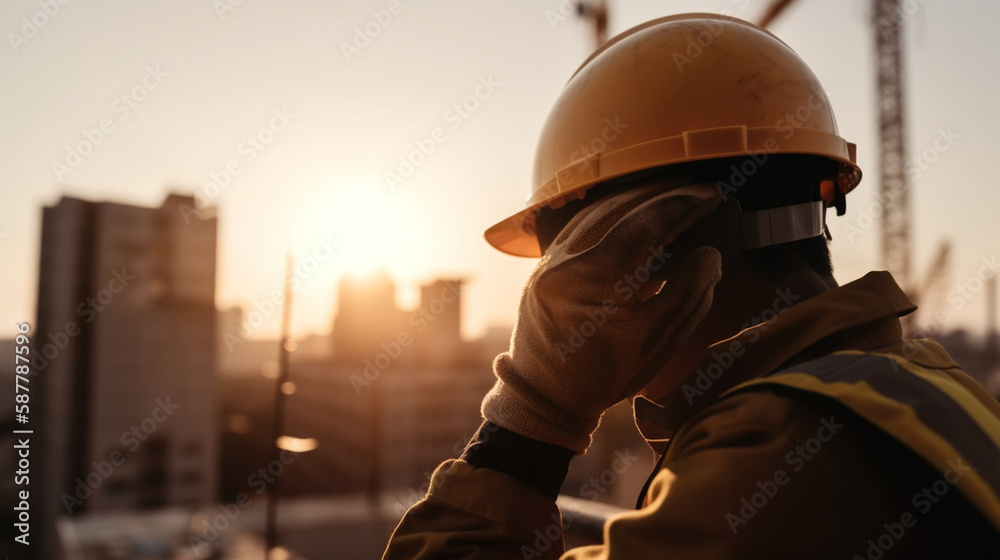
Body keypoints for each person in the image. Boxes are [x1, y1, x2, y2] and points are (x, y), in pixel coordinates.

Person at [383, 13, 1000, 559]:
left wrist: (532, 419)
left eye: (574, 264)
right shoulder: (927, 381)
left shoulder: (766, 455)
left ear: (654, 247)